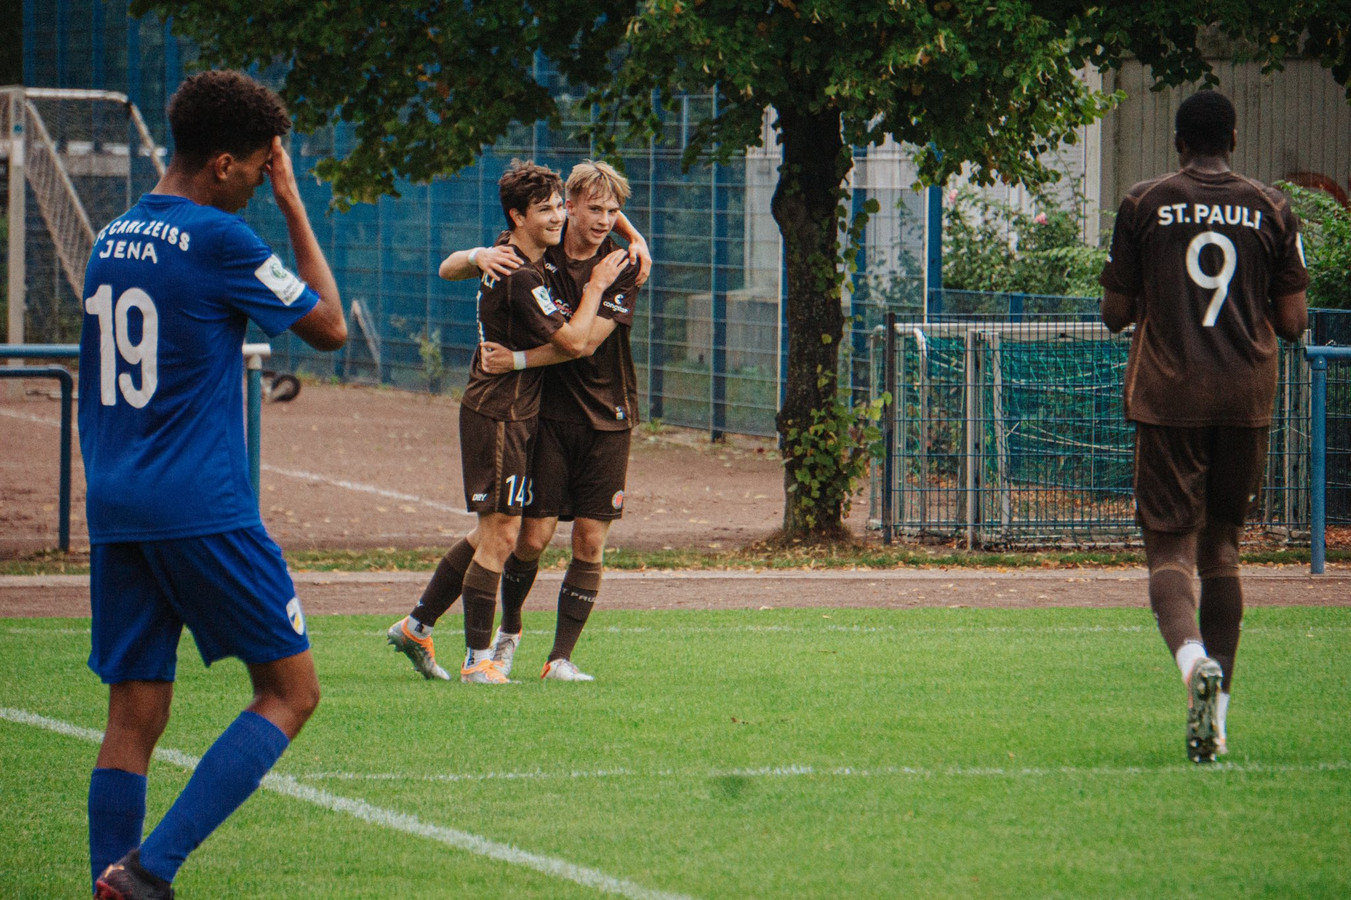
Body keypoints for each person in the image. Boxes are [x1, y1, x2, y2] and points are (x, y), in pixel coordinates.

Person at [83, 70, 347, 899]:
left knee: (134, 710)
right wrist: (296, 209)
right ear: (229, 164)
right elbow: (330, 329)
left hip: (116, 502)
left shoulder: (113, 233)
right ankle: (149, 871)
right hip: (199, 504)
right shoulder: (218, 239)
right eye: (262, 169)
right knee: (290, 691)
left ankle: (105, 881)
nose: (263, 185)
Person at [1099, 90, 1308, 763]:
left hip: (1169, 394)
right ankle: (1214, 723)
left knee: (1168, 553)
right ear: (1235, 138)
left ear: (1178, 141)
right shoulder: (1272, 207)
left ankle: (1192, 661)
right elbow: (1294, 321)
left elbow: (1113, 311)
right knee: (1222, 551)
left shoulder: (1141, 203)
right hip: (1244, 395)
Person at [386, 160, 629, 684]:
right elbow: (573, 342)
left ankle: (418, 624)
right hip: (501, 410)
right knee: (502, 535)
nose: (560, 216)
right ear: (518, 216)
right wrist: (590, 291)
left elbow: (453, 265)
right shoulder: (521, 271)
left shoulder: (522, 254)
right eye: (548, 209)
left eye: (561, 206)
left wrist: (474, 255)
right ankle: (479, 660)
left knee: (490, 534)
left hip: (520, 410)